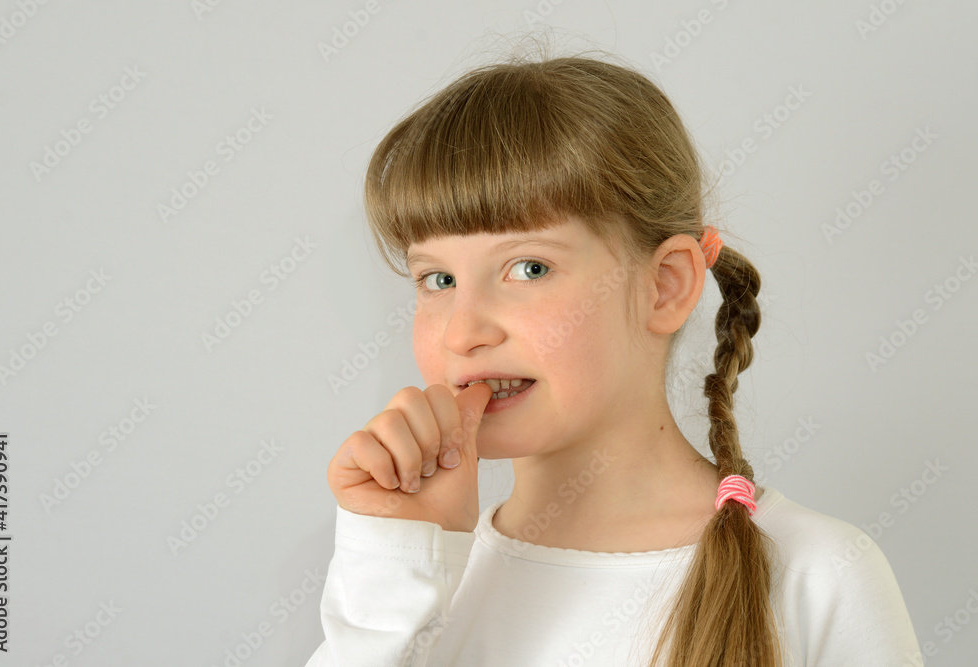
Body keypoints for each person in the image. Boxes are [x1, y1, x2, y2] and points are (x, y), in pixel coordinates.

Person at [305, 46, 923, 666]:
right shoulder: (415, 578)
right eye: (437, 280)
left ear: (665, 286)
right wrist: (396, 563)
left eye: (529, 267)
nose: (462, 333)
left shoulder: (819, 576)